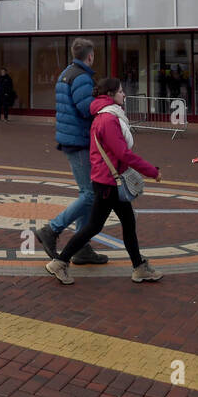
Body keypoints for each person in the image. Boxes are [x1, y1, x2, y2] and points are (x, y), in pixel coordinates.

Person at [45, 77, 162, 285]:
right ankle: (60, 262)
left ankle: (139, 267)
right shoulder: (108, 119)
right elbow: (123, 153)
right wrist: (152, 171)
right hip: (109, 183)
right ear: (110, 95)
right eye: (120, 91)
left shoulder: (105, 116)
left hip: (107, 180)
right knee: (94, 226)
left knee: (125, 222)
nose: (124, 94)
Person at [33, 38, 107, 267]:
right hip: (80, 141)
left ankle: (82, 246)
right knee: (89, 194)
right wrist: (104, 103)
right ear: (90, 56)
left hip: (70, 139)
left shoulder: (66, 73)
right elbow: (86, 109)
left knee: (88, 193)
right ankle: (52, 229)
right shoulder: (82, 78)